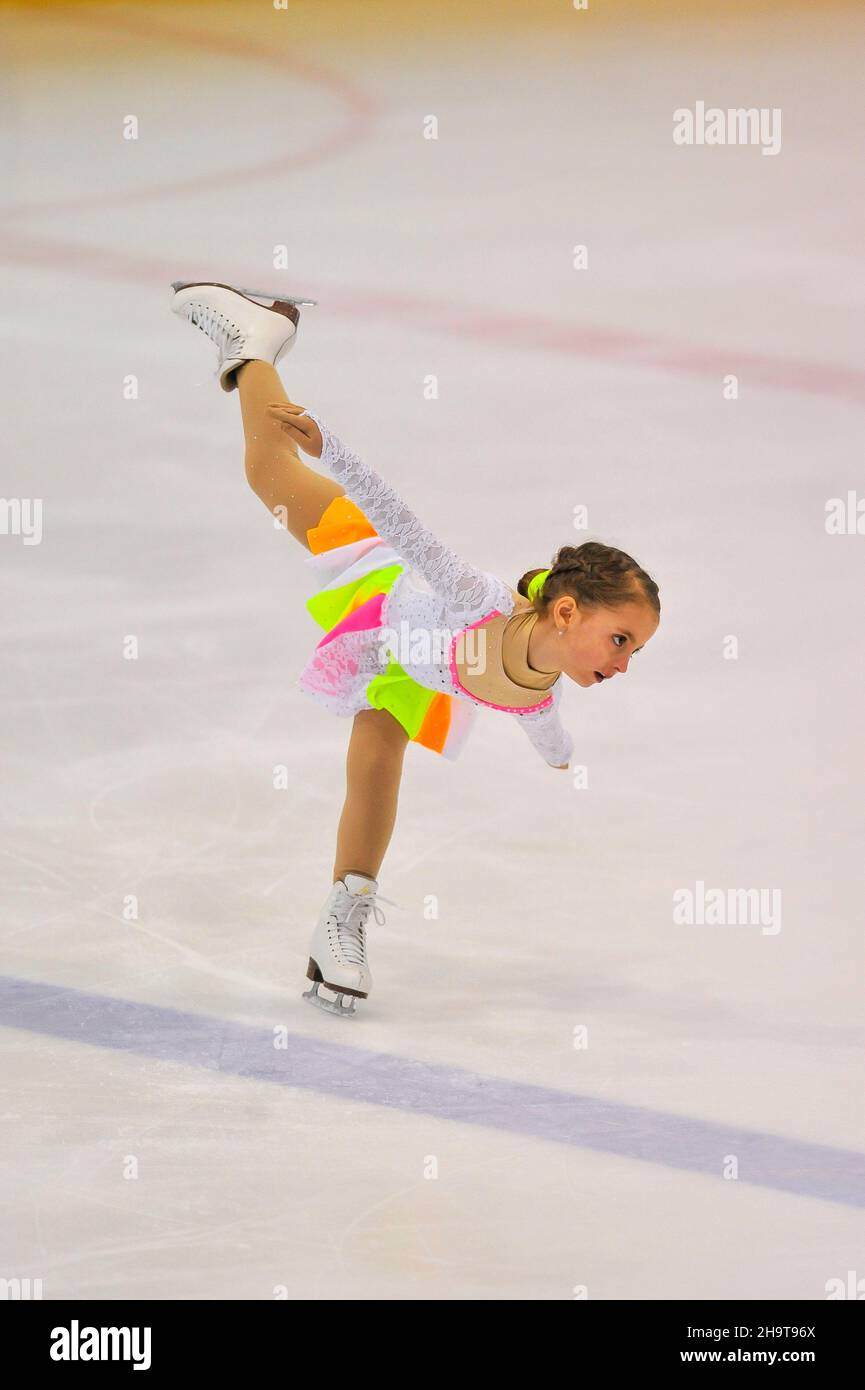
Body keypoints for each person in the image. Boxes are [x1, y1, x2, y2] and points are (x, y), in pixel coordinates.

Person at [170, 282, 661, 1016]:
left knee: (373, 767)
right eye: (619, 639)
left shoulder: (540, 689)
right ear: (564, 610)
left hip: (405, 669)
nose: (623, 662)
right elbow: (400, 521)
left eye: (635, 652)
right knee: (270, 472)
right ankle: (255, 339)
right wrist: (329, 445)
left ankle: (342, 918)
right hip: (375, 583)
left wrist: (558, 756)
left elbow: (543, 727)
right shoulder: (476, 600)